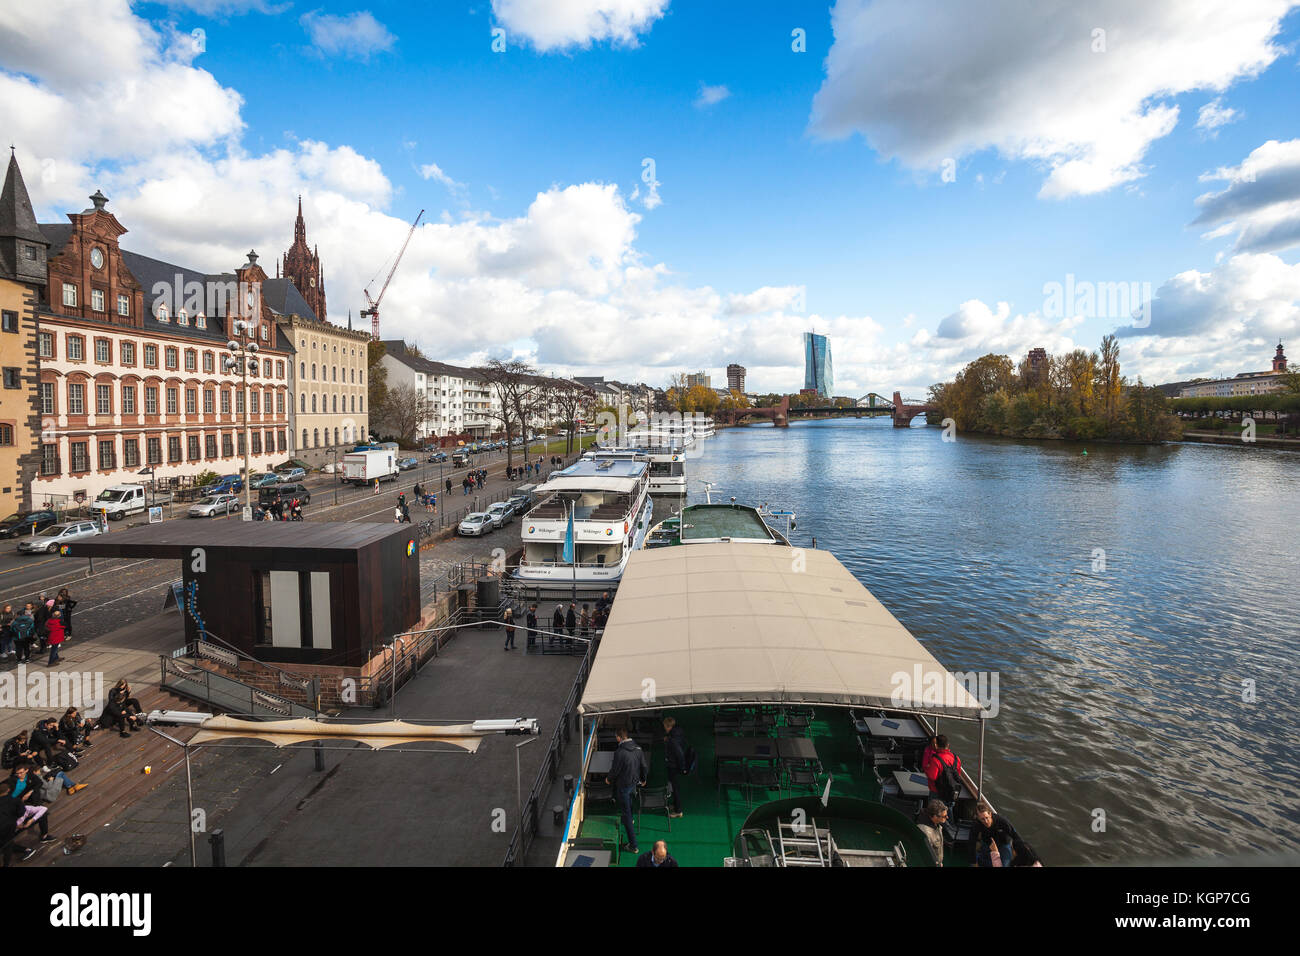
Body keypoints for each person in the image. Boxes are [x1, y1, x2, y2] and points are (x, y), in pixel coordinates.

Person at [604, 727, 648, 855]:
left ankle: (633, 845)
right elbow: (643, 766)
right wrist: (643, 779)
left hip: (623, 785)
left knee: (626, 813)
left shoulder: (619, 752)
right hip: (633, 782)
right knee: (629, 800)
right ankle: (630, 817)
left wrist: (608, 779)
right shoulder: (638, 749)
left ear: (619, 737)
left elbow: (615, 770)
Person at [1, 781, 52, 865]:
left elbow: (43, 809)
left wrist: (31, 820)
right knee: (6, 844)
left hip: (15, 827)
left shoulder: (22, 808)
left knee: (43, 815)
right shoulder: (15, 805)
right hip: (11, 828)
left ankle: (44, 836)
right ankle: (26, 850)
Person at [971, 802, 1019, 868]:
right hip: (988, 843)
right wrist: (974, 862)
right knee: (981, 863)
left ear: (990, 814)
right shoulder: (976, 824)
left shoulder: (1002, 821)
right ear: (978, 818)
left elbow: (1015, 835)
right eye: (982, 819)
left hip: (1004, 845)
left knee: (1005, 865)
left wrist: (1016, 850)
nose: (986, 821)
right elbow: (971, 842)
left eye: (986, 817)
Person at [923, 734, 963, 807]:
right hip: (951, 790)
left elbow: (932, 777)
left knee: (935, 812)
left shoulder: (935, 760)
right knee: (949, 810)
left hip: (937, 791)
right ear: (948, 745)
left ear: (936, 745)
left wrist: (927, 768)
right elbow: (958, 773)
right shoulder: (956, 758)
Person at [662, 716, 690, 817]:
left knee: (675, 788)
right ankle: (675, 805)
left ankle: (678, 811)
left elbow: (679, 754)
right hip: (675, 765)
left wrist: (682, 768)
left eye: (665, 726)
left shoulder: (673, 740)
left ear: (668, 726)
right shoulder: (677, 733)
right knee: (674, 787)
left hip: (674, 766)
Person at [916, 798, 948, 866]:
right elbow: (926, 856)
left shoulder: (936, 824)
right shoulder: (925, 832)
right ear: (935, 816)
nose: (947, 817)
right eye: (944, 816)